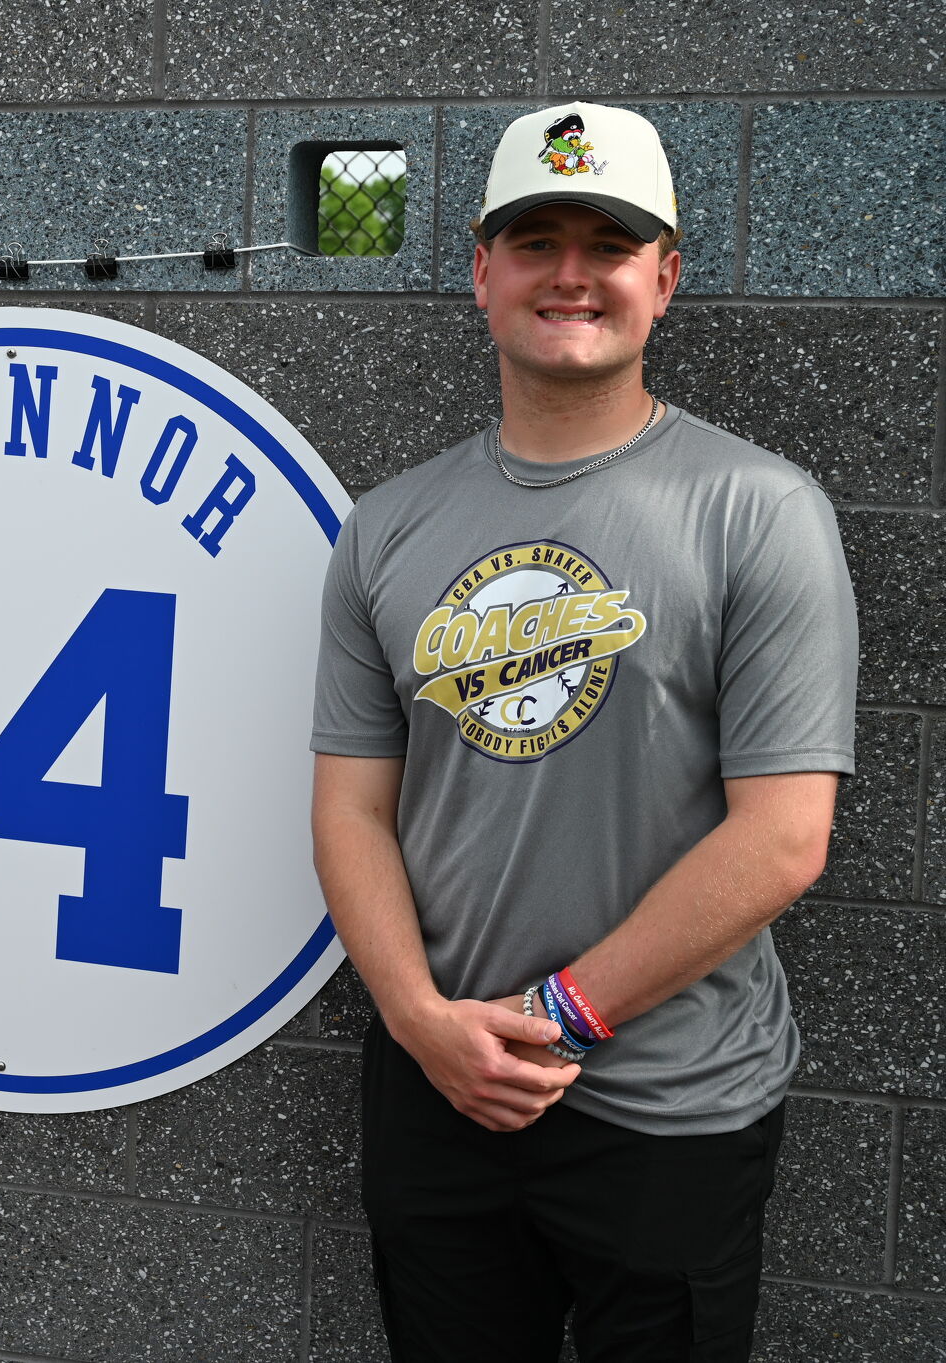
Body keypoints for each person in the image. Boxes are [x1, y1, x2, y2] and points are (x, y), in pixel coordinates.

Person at [309, 101, 856, 1362]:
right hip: (437, 1084)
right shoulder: (384, 529)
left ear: (661, 278)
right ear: (478, 272)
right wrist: (420, 1021)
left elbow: (781, 840)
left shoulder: (758, 510)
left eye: (605, 243)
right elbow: (349, 810)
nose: (569, 273)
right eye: (533, 238)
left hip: (666, 1107)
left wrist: (549, 1018)